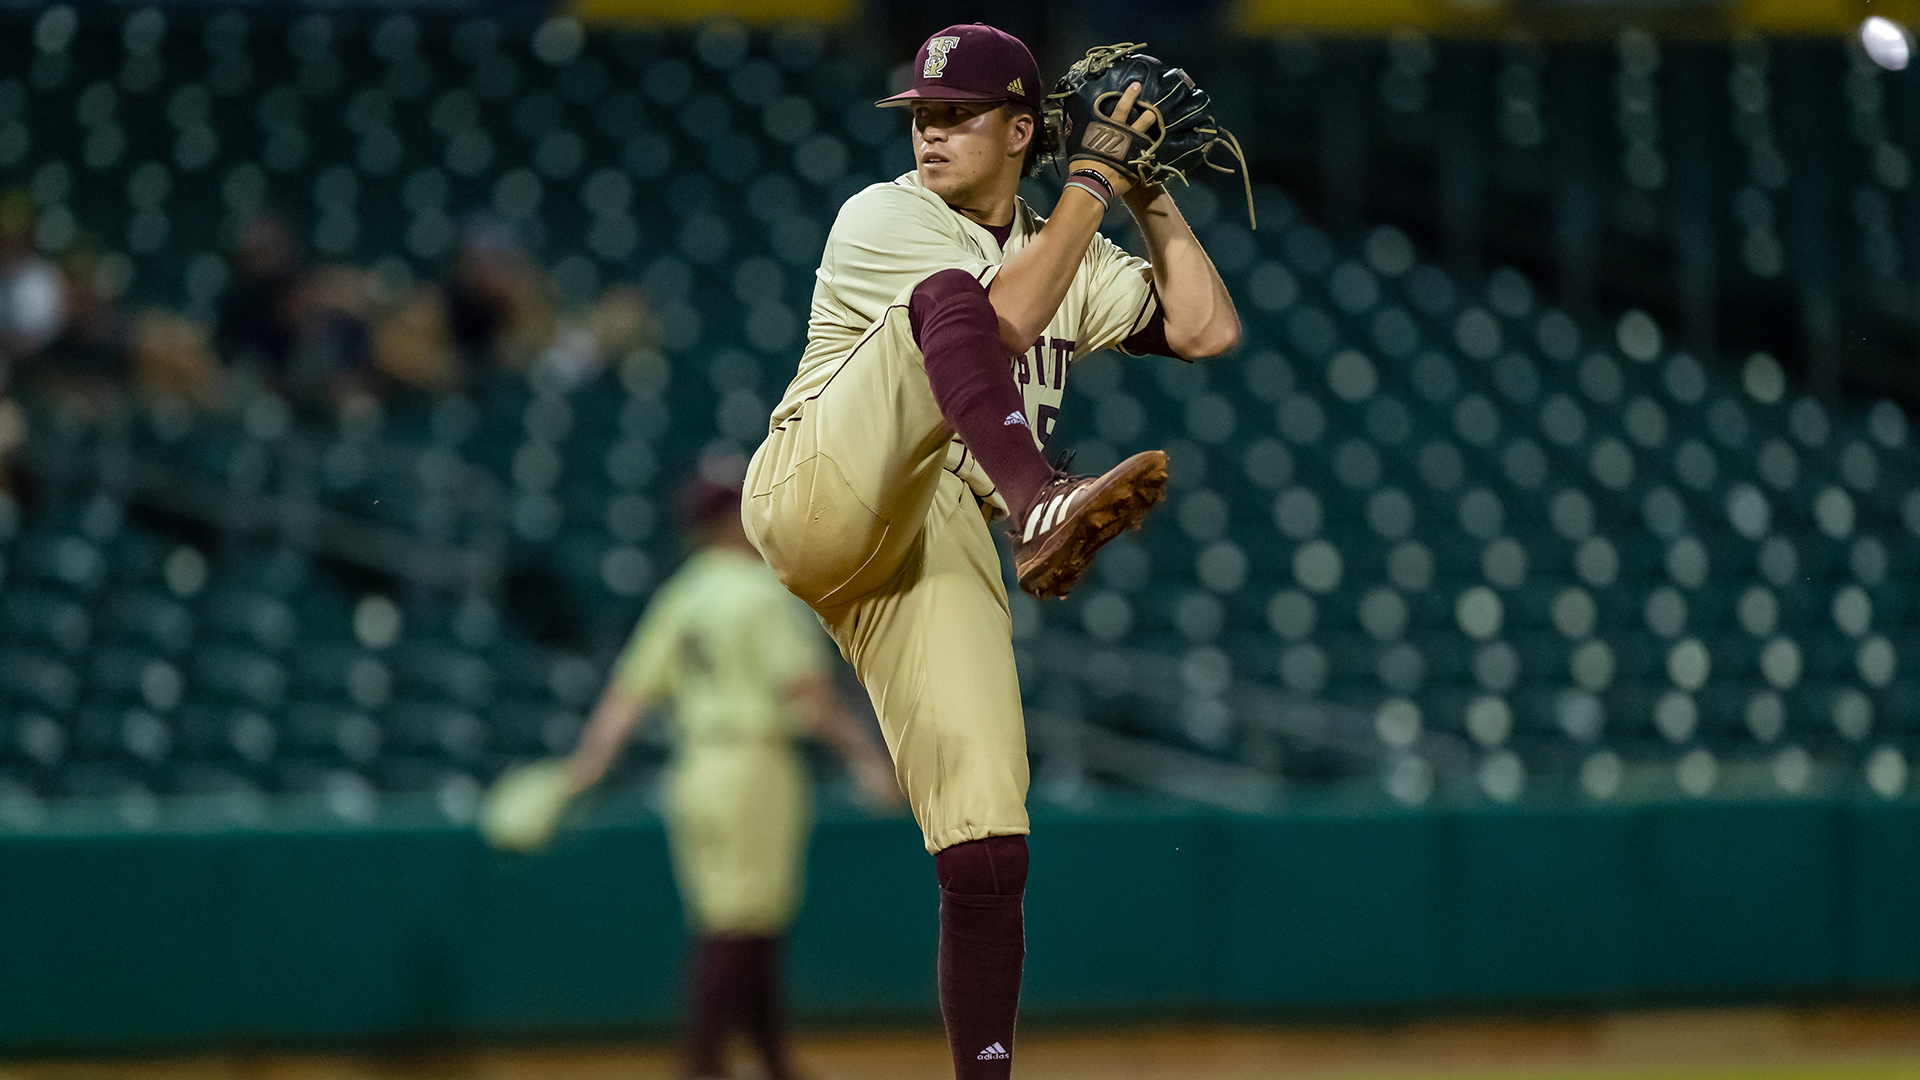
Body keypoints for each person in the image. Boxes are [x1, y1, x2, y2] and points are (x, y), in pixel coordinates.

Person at [741, 22, 1240, 1079]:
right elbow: (1000, 318)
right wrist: (1095, 181)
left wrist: (1148, 189)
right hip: (821, 484)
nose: (929, 133)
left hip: (939, 534)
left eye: (957, 116)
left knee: (988, 846)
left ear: (1020, 131)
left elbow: (1204, 330)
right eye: (921, 116)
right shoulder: (884, 214)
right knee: (947, 302)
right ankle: (1042, 500)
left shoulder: (1071, 248)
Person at [483, 469, 898, 1080]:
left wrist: (585, 768)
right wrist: (866, 759)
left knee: (742, 920)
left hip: (697, 769)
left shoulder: (680, 595)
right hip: (753, 765)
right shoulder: (759, 593)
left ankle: (771, 1061)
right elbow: (810, 698)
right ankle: (703, 1064)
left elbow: (626, 697)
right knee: (741, 924)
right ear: (731, 523)